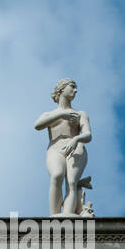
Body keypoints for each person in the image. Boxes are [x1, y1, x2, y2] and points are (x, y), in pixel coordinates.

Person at [34, 78, 93, 216]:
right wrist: (61, 114)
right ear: (62, 89)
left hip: (76, 148)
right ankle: (54, 216)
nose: (75, 90)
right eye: (72, 86)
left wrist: (77, 139)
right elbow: (37, 125)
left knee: (71, 182)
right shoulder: (49, 114)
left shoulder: (80, 114)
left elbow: (88, 135)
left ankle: (68, 215)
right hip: (55, 148)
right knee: (57, 175)